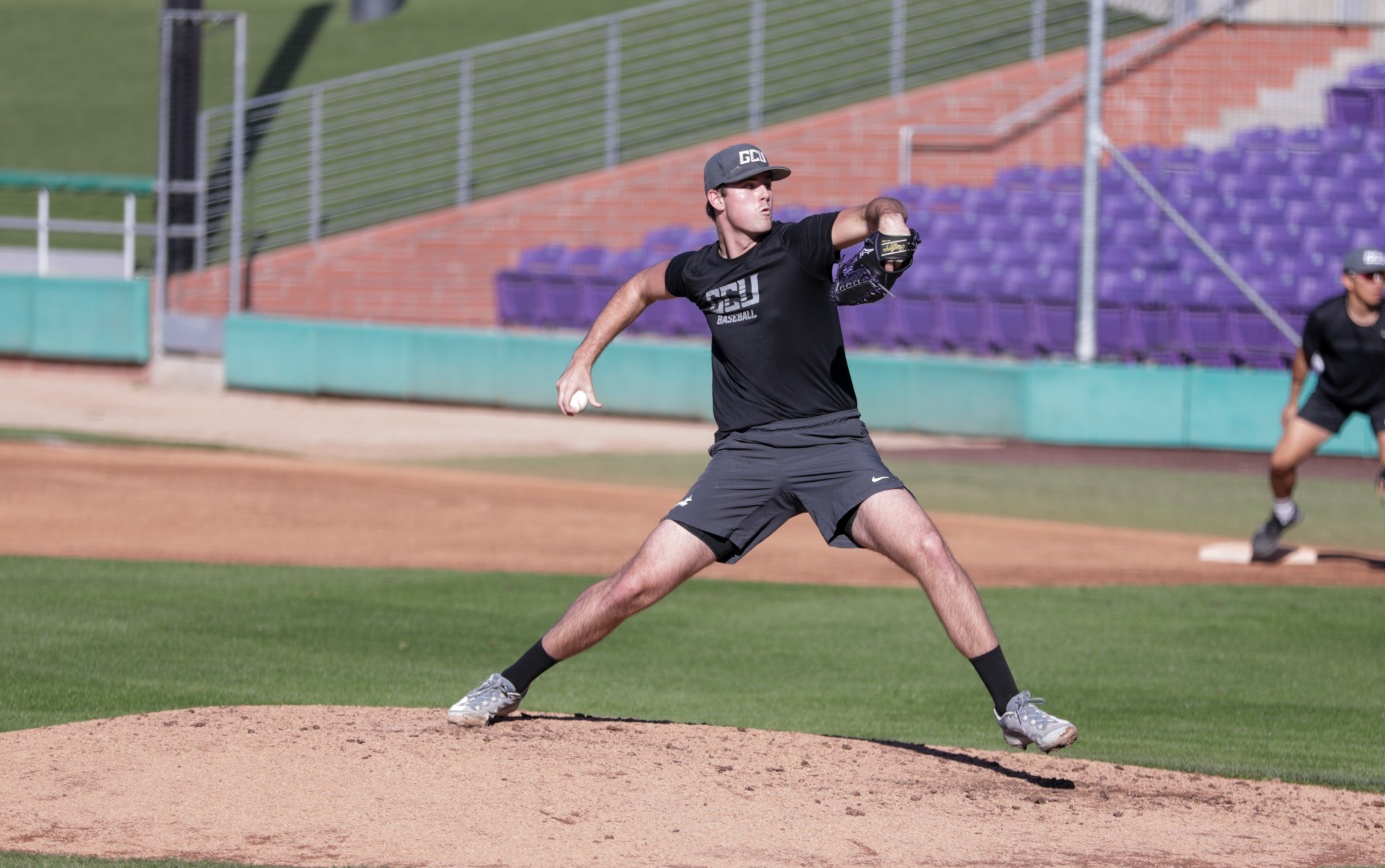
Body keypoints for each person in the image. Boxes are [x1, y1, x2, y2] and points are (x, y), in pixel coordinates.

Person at [447, 143, 1079, 753]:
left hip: (834, 446)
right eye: (750, 185)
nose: (764, 192)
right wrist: (582, 360)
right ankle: (509, 683)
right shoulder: (697, 270)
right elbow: (639, 288)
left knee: (927, 548)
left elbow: (874, 209)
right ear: (716, 199)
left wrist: (890, 222)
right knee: (633, 586)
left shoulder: (801, 244)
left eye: (768, 181)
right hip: (745, 458)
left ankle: (1013, 708)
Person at [1251, 247, 1385, 579]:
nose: (1378, 283)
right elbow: (1304, 358)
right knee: (1280, 462)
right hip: (1333, 396)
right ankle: (1284, 513)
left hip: (1383, 400)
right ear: (1347, 280)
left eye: (1383, 276)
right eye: (1369, 276)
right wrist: (1292, 402)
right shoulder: (1325, 317)